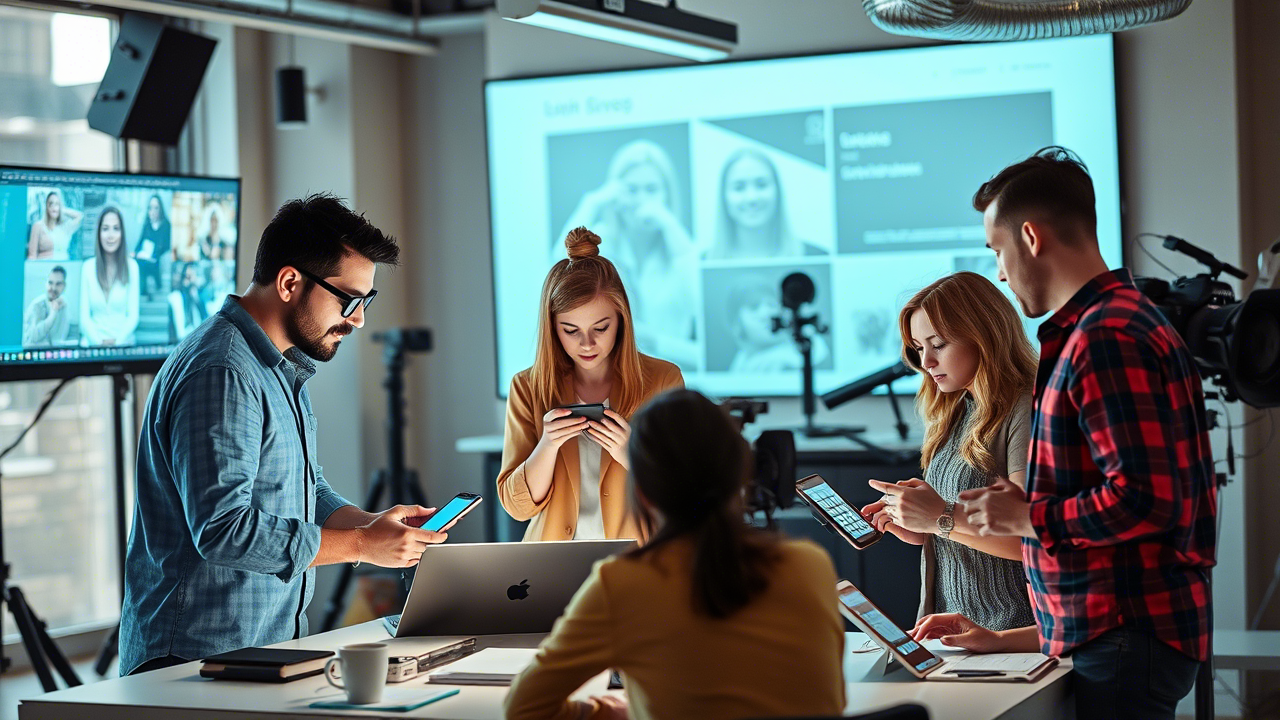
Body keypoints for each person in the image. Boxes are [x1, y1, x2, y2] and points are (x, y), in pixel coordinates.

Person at [121, 194, 451, 676]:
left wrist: (374, 524)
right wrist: (360, 545)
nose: (358, 319)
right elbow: (224, 529)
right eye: (349, 300)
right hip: (192, 662)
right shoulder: (224, 372)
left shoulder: (278, 366)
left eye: (367, 301)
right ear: (290, 282)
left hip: (253, 653)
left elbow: (302, 489)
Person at [958, 147, 1216, 719]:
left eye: (997, 251)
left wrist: (1028, 517)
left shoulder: (1106, 334)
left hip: (1125, 632)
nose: (999, 272)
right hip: (1117, 634)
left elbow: (1146, 500)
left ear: (1030, 237)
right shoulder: (1109, 323)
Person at [504, 389, 846, 720]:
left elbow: (525, 709)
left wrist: (613, 711)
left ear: (641, 491)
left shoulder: (622, 584)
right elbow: (832, 699)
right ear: (740, 472)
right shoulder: (809, 564)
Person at [858, 272, 1037, 638]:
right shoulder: (957, 409)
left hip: (1016, 633)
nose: (926, 362)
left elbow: (1034, 541)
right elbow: (957, 526)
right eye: (919, 348)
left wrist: (940, 517)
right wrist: (920, 525)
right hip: (955, 628)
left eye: (937, 344)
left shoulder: (1026, 407)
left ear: (983, 335)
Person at [497, 227, 684, 542]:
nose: (587, 343)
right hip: (553, 569)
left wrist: (632, 455)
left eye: (601, 327)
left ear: (621, 319)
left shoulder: (663, 379)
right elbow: (517, 507)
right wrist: (548, 445)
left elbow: (683, 497)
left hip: (637, 565)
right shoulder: (527, 387)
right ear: (552, 326)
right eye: (571, 330)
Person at [558, 140, 699, 369]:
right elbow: (558, 276)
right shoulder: (601, 242)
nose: (642, 199)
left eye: (651, 190)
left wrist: (670, 225)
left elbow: (701, 308)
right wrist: (591, 203)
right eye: (632, 190)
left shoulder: (680, 247)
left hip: (670, 383)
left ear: (667, 194)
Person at [708, 148, 823, 260]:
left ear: (777, 191)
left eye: (761, 185)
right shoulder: (699, 266)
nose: (751, 198)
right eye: (739, 187)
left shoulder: (819, 259)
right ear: (723, 196)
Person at [723, 277, 828, 372]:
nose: (767, 313)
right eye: (754, 307)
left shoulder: (813, 347)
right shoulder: (741, 363)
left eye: (772, 305)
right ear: (736, 323)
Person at [80, 207, 140, 347]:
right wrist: (99, 344)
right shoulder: (87, 267)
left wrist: (116, 345)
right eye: (105, 229)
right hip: (93, 346)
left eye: (116, 229)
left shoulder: (132, 267)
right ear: (99, 233)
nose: (110, 235)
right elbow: (84, 319)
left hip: (123, 345)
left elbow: (133, 317)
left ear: (122, 233)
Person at [27, 189, 83, 260]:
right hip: (43, 267)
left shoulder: (65, 228)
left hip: (63, 267)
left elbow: (80, 216)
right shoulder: (38, 226)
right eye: (51, 204)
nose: (54, 207)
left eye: (57, 204)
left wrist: (62, 209)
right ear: (46, 206)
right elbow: (32, 255)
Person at [22, 266, 71, 347]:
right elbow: (31, 338)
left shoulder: (64, 305)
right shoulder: (37, 305)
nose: (53, 288)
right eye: (50, 283)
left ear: (64, 286)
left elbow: (61, 338)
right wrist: (52, 315)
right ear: (46, 283)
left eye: (58, 284)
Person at [134, 194, 172, 296]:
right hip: (146, 258)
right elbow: (141, 241)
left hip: (158, 257)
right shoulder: (147, 225)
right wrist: (135, 252)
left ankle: (153, 287)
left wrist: (155, 254)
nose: (153, 211)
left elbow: (167, 245)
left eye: (156, 208)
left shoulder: (166, 225)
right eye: (150, 208)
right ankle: (144, 290)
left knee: (149, 263)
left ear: (160, 209)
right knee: (139, 262)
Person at [168, 262, 209, 340]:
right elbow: (180, 334)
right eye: (185, 277)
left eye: (189, 278)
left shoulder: (198, 297)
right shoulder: (176, 298)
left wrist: (197, 300)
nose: (186, 282)